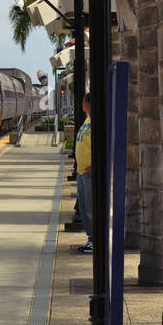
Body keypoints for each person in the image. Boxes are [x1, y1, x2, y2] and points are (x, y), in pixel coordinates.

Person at [75, 92, 92, 253]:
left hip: (90, 173)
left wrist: (95, 166)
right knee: (84, 208)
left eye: (83, 100)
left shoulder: (97, 121)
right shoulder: (87, 120)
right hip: (82, 172)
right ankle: (90, 239)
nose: (82, 103)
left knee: (90, 209)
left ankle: (94, 240)